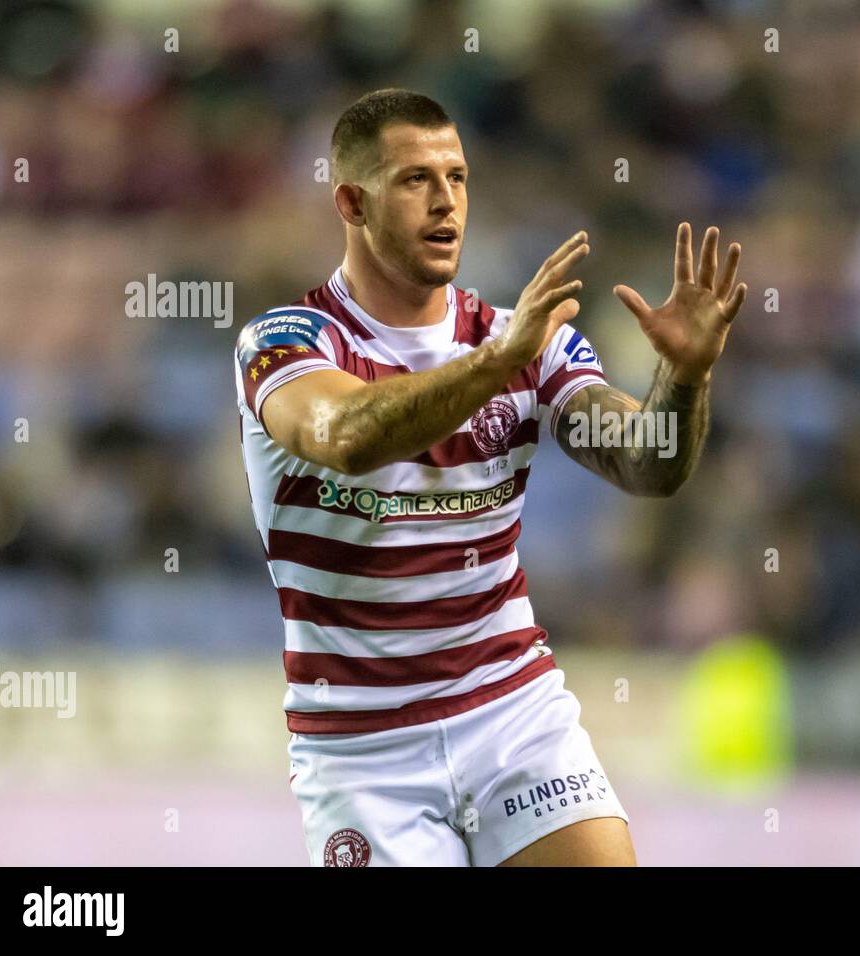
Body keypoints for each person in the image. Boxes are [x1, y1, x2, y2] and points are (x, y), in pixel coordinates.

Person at [234, 89, 747, 866]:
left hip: (510, 708)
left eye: (459, 177)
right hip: (364, 745)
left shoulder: (522, 338)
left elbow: (645, 463)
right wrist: (496, 363)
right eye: (415, 180)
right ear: (352, 201)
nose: (446, 202)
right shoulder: (287, 342)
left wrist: (682, 377)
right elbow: (347, 436)